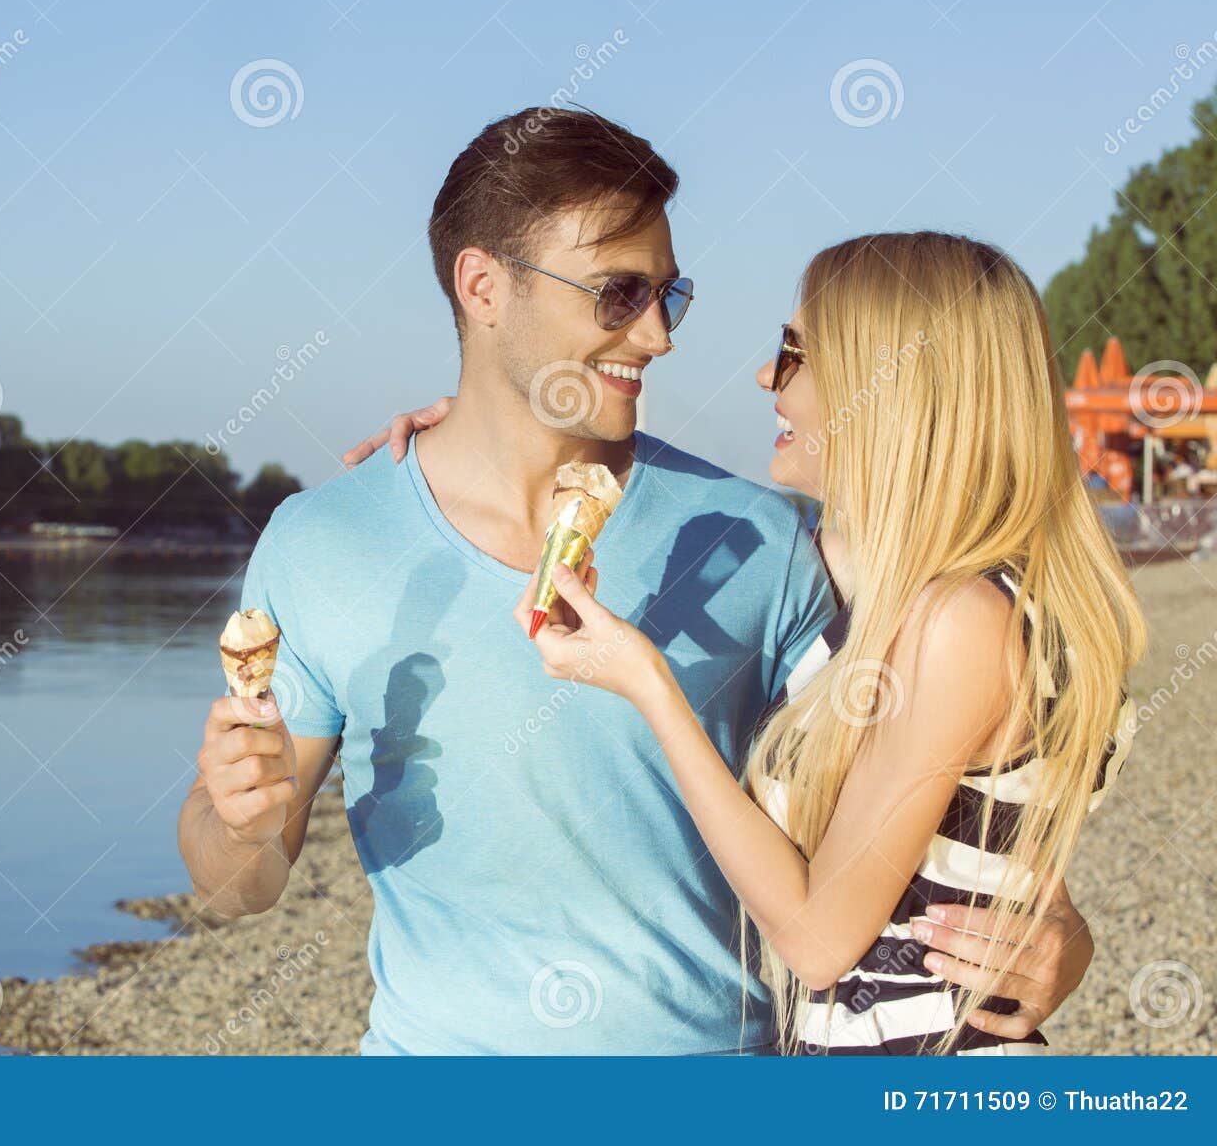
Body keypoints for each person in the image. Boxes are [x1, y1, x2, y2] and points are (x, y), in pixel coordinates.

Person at [181, 107, 1097, 1054]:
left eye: (669, 295)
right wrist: (236, 823)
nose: (659, 336)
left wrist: (1053, 929)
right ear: (483, 286)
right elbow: (241, 884)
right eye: (618, 294)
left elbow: (942, 784)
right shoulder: (322, 540)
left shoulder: (763, 538)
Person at [354, 229, 1143, 1054]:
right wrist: (489, 428)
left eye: (795, 352)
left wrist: (649, 687)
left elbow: (815, 939)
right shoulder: (881, 583)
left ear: (891, 389)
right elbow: (988, 849)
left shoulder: (962, 623)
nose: (767, 376)